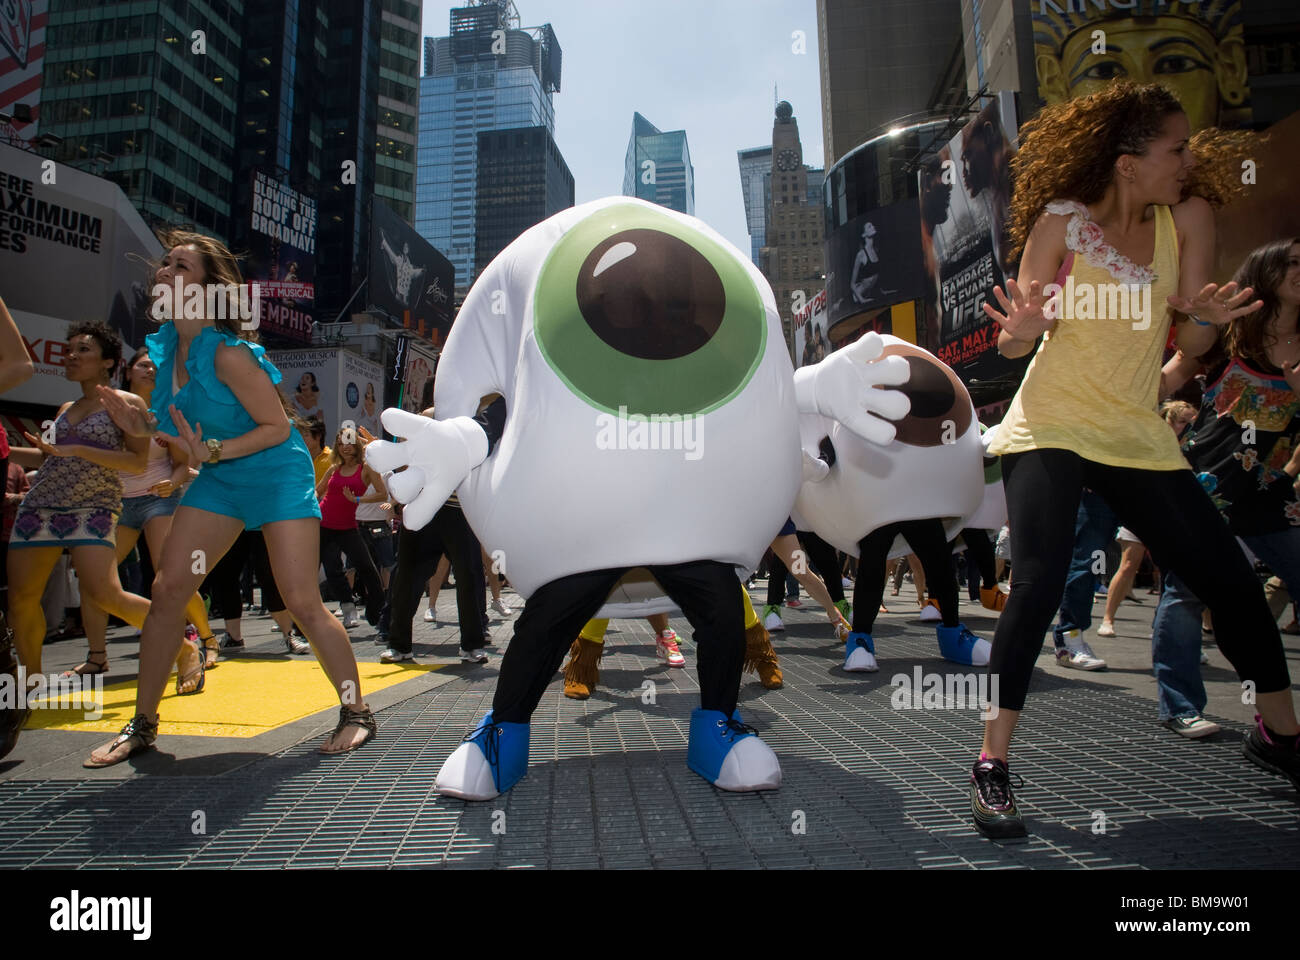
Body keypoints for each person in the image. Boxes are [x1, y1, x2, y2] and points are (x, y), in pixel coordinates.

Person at [977, 82, 1299, 839]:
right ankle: (993, 763)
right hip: (1050, 421)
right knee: (1039, 582)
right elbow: (1014, 341)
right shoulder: (1062, 221)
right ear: (1128, 163)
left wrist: (1204, 325)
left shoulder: (1188, 216)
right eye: (1176, 148)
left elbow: (1189, 340)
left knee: (1232, 581)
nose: (1190, 159)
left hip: (1134, 429)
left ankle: (1280, 736)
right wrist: (1023, 326)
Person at [85, 230, 373, 767]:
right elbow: (181, 429)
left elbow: (273, 427)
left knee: (302, 602)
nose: (165, 273)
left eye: (180, 267)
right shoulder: (168, 349)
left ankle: (356, 712)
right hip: (220, 476)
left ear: (210, 289)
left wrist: (212, 450)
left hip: (274, 474)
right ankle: (143, 724)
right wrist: (140, 425)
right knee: (169, 589)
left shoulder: (230, 354)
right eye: (165, 264)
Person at [1150, 237, 1300, 738]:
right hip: (1208, 479)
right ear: (1267, 270)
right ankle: (1180, 704)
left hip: (1271, 487)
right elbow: (1169, 377)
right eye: (1293, 262)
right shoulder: (1230, 329)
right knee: (1188, 591)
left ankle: (1274, 716)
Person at [6, 323, 167, 679]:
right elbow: (48, 458)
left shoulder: (128, 403)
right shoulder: (66, 407)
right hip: (41, 505)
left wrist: (78, 449)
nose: (71, 356)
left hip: (93, 505)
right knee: (20, 600)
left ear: (108, 362)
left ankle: (182, 647)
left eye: (83, 350)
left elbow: (137, 462)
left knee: (106, 595)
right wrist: (5, 451)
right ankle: (31, 685)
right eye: (69, 349)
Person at [73, 347, 218, 678]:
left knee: (169, 577)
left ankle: (207, 639)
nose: (150, 370)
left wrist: (171, 481)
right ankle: (97, 656)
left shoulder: (169, 413)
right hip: (115, 504)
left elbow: (182, 465)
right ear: (127, 371)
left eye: (156, 366)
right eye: (143, 365)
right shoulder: (105, 408)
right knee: (94, 583)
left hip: (159, 501)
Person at [316, 426, 386, 628]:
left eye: (349, 443)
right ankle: (345, 608)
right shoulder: (334, 468)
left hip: (347, 527)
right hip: (324, 524)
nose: (345, 448)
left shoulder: (366, 469)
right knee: (329, 569)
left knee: (368, 569)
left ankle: (377, 614)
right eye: (340, 444)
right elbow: (318, 491)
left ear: (356, 445)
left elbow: (382, 495)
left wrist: (357, 498)